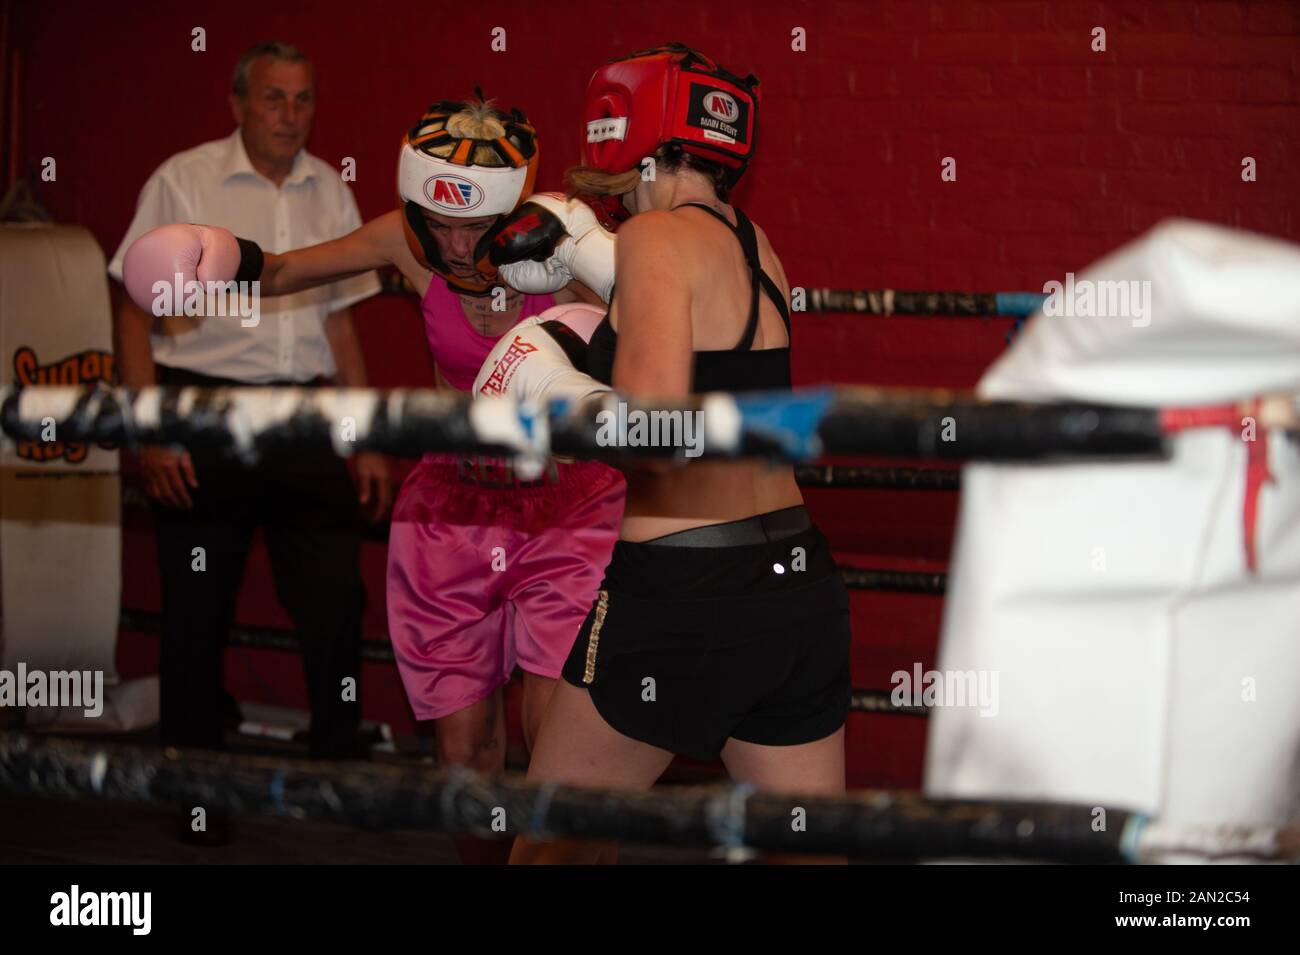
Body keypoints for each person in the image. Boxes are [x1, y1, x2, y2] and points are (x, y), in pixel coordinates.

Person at [121, 96, 626, 864]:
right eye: (440, 222)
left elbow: (654, 330)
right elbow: (294, 267)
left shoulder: (561, 241)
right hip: (453, 509)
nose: (456, 245)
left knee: (561, 747)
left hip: (565, 505)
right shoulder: (406, 238)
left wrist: (592, 296)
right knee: (464, 752)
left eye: (474, 226)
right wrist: (219, 258)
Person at [498, 43, 854, 864]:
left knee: (552, 853)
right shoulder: (758, 245)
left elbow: (653, 437)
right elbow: (707, 377)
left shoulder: (655, 237)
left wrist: (553, 389)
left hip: (680, 594)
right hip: (795, 589)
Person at [107, 41, 387, 763]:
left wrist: (360, 434)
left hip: (304, 418)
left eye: (303, 99)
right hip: (203, 417)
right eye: (273, 97)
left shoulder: (332, 188)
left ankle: (338, 767)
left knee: (336, 599)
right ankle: (194, 783)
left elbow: (340, 319)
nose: (290, 114)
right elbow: (135, 313)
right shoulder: (185, 181)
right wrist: (153, 431)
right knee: (196, 605)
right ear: (237, 104)